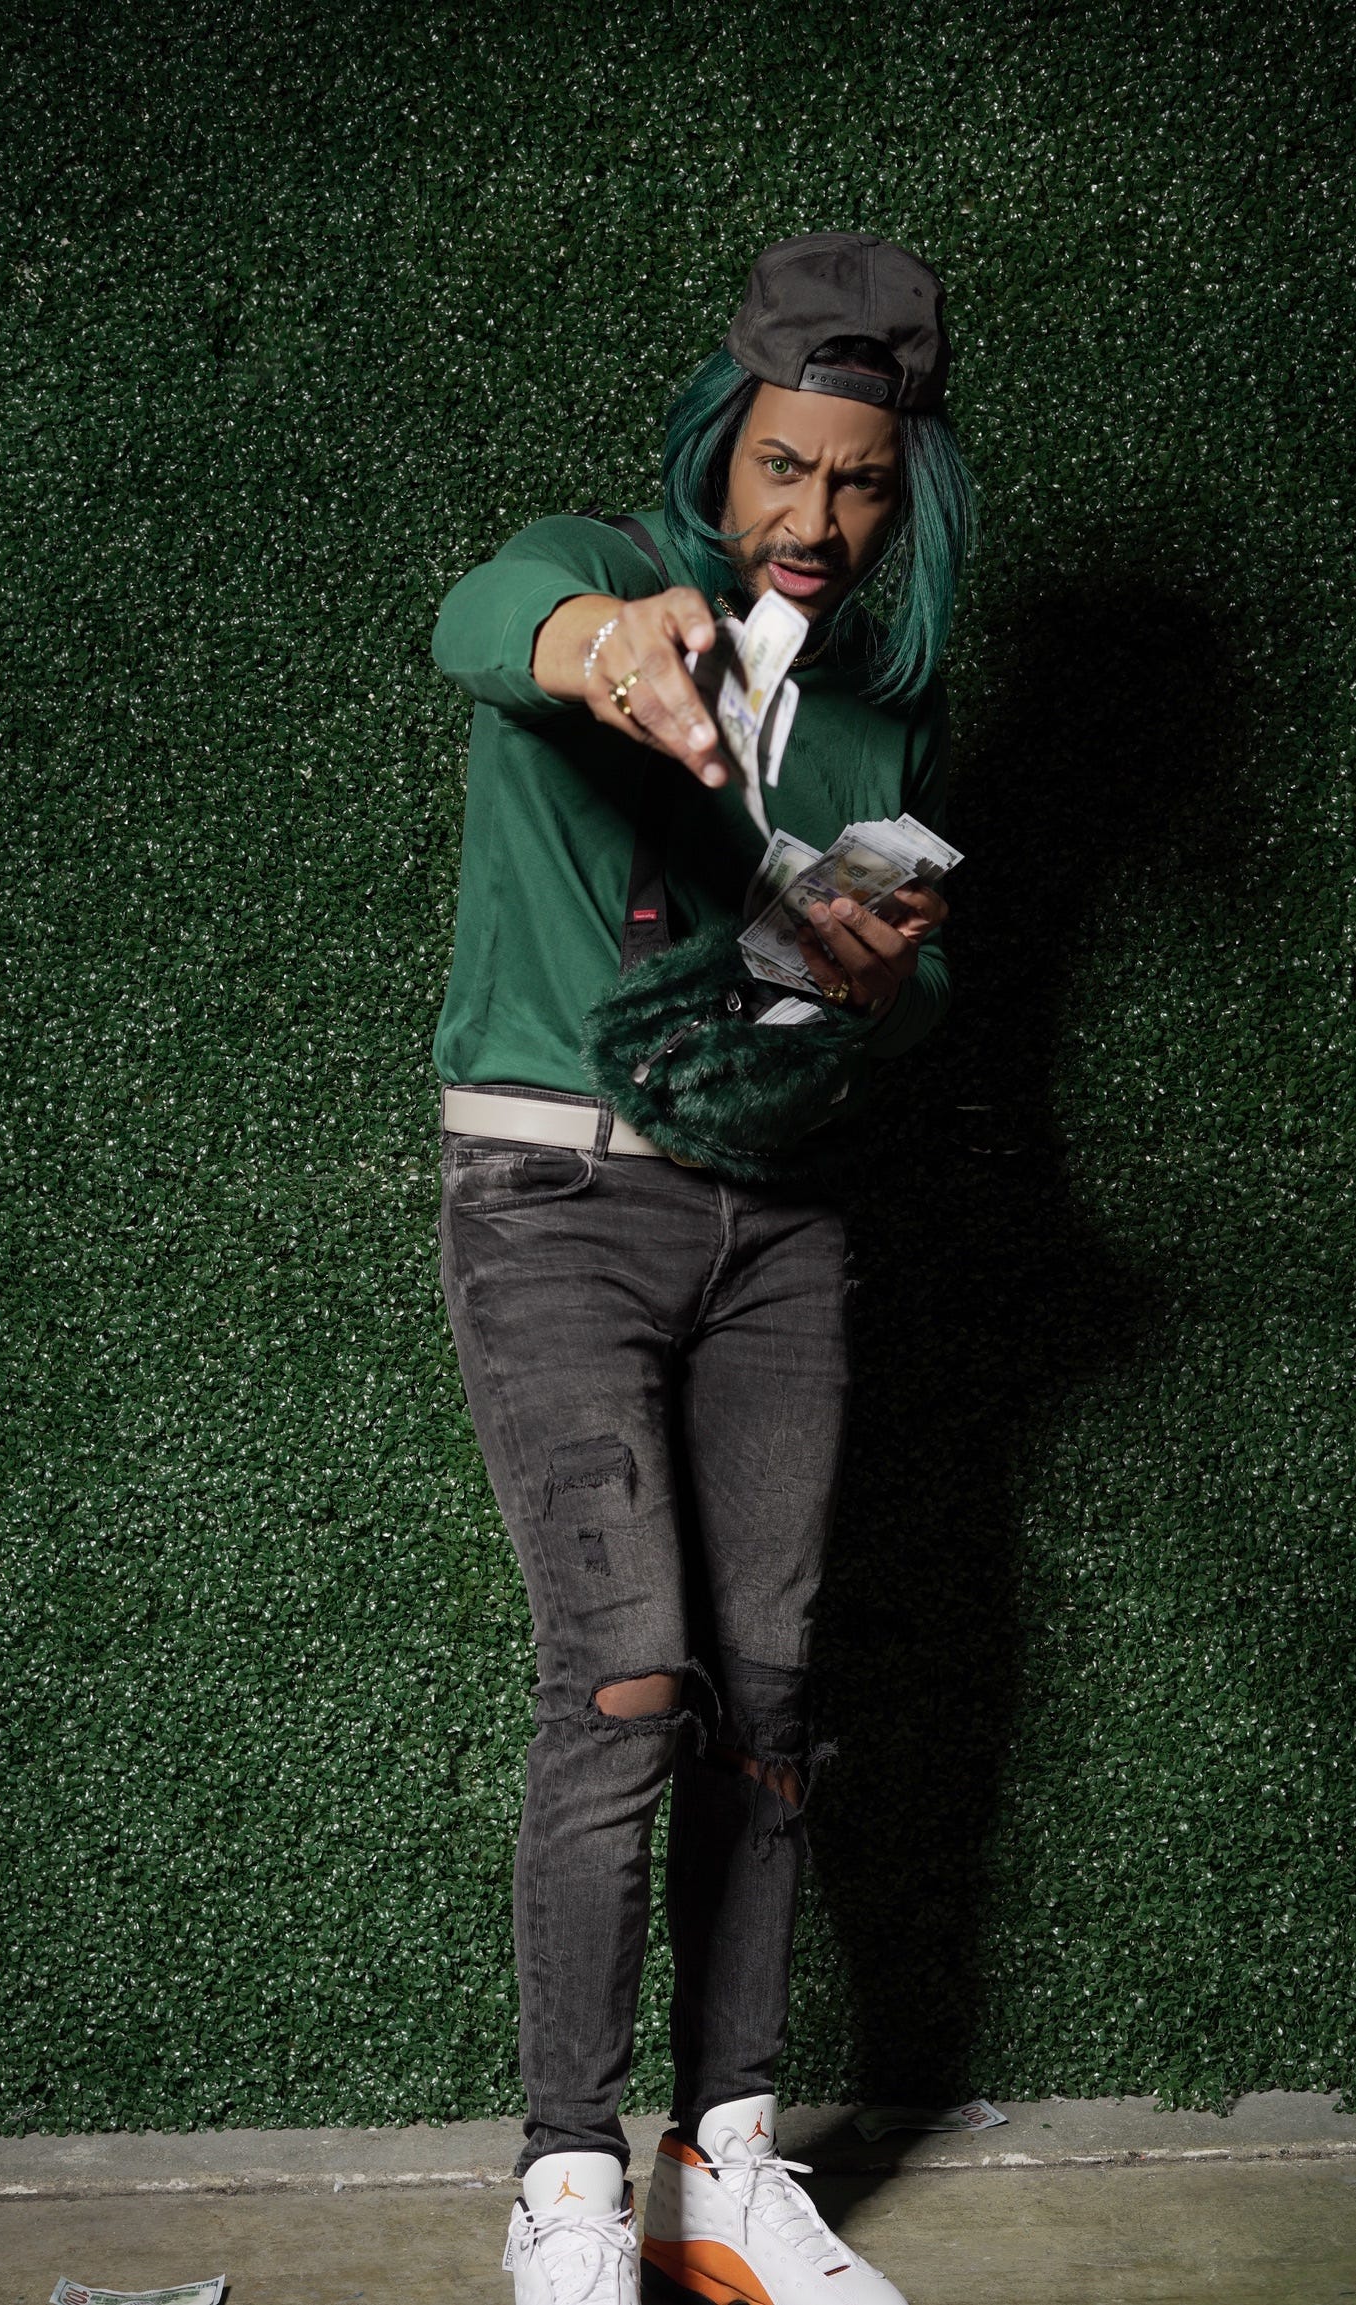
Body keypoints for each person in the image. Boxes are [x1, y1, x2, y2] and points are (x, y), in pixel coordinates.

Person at [430, 232, 976, 2305]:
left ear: (906, 492)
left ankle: (724, 2160)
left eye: (860, 480)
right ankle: (568, 2184)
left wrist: (886, 984)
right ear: (715, 448)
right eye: (779, 467)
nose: (814, 516)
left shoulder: (874, 715)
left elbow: (906, 997)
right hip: (555, 1202)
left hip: (780, 1226)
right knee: (623, 1673)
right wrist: (603, 645)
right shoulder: (598, 570)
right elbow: (489, 619)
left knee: (767, 1692)